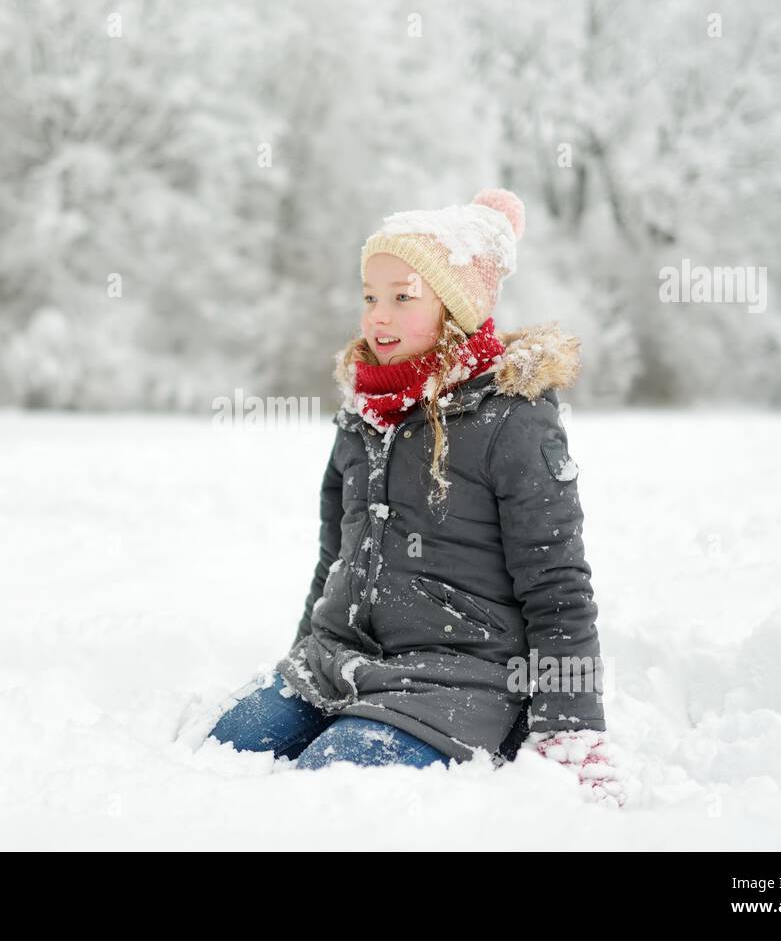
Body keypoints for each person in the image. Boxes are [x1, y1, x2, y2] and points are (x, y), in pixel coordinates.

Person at [207, 188, 626, 806]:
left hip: (460, 677)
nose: (378, 316)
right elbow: (336, 558)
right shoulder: (365, 414)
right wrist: (305, 651)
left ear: (454, 308)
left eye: (403, 298)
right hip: (339, 661)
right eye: (370, 297)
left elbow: (558, 584)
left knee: (328, 786)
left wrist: (571, 729)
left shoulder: (511, 419)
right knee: (223, 748)